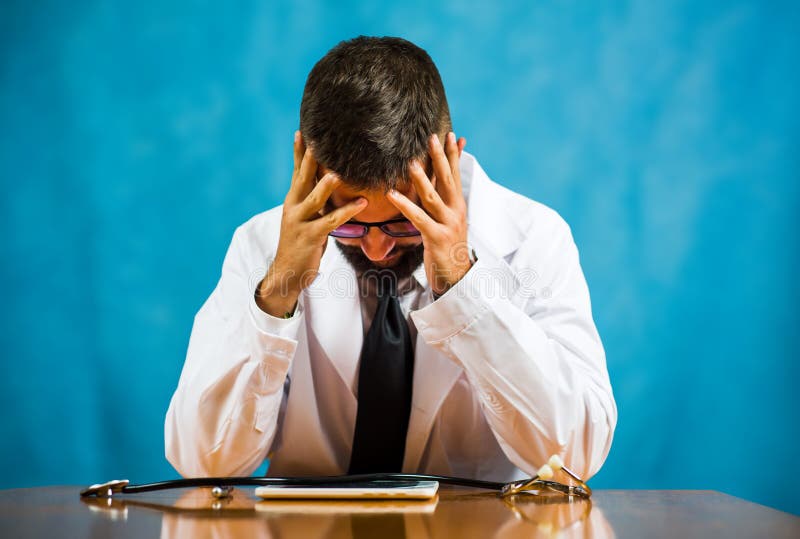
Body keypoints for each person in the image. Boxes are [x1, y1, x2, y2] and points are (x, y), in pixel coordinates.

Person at [165, 36, 616, 483]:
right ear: (306, 165)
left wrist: (465, 288)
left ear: (449, 164)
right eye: (347, 221)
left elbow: (576, 456)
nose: (376, 251)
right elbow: (204, 462)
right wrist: (278, 291)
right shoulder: (261, 245)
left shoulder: (535, 237)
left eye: (404, 222)